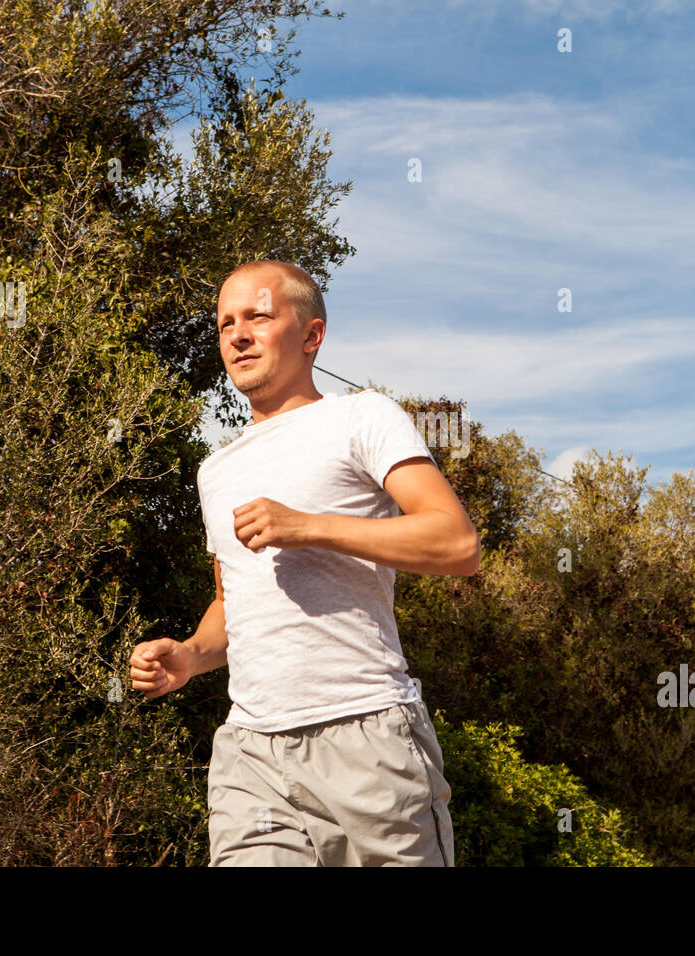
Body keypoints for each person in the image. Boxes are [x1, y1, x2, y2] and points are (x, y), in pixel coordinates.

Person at [129, 260, 481, 866]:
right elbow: (230, 603)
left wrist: (309, 527)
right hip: (250, 753)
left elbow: (457, 544)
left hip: (366, 736)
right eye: (225, 324)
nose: (237, 335)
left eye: (258, 317)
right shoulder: (215, 472)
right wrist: (189, 655)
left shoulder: (360, 417)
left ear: (312, 335)